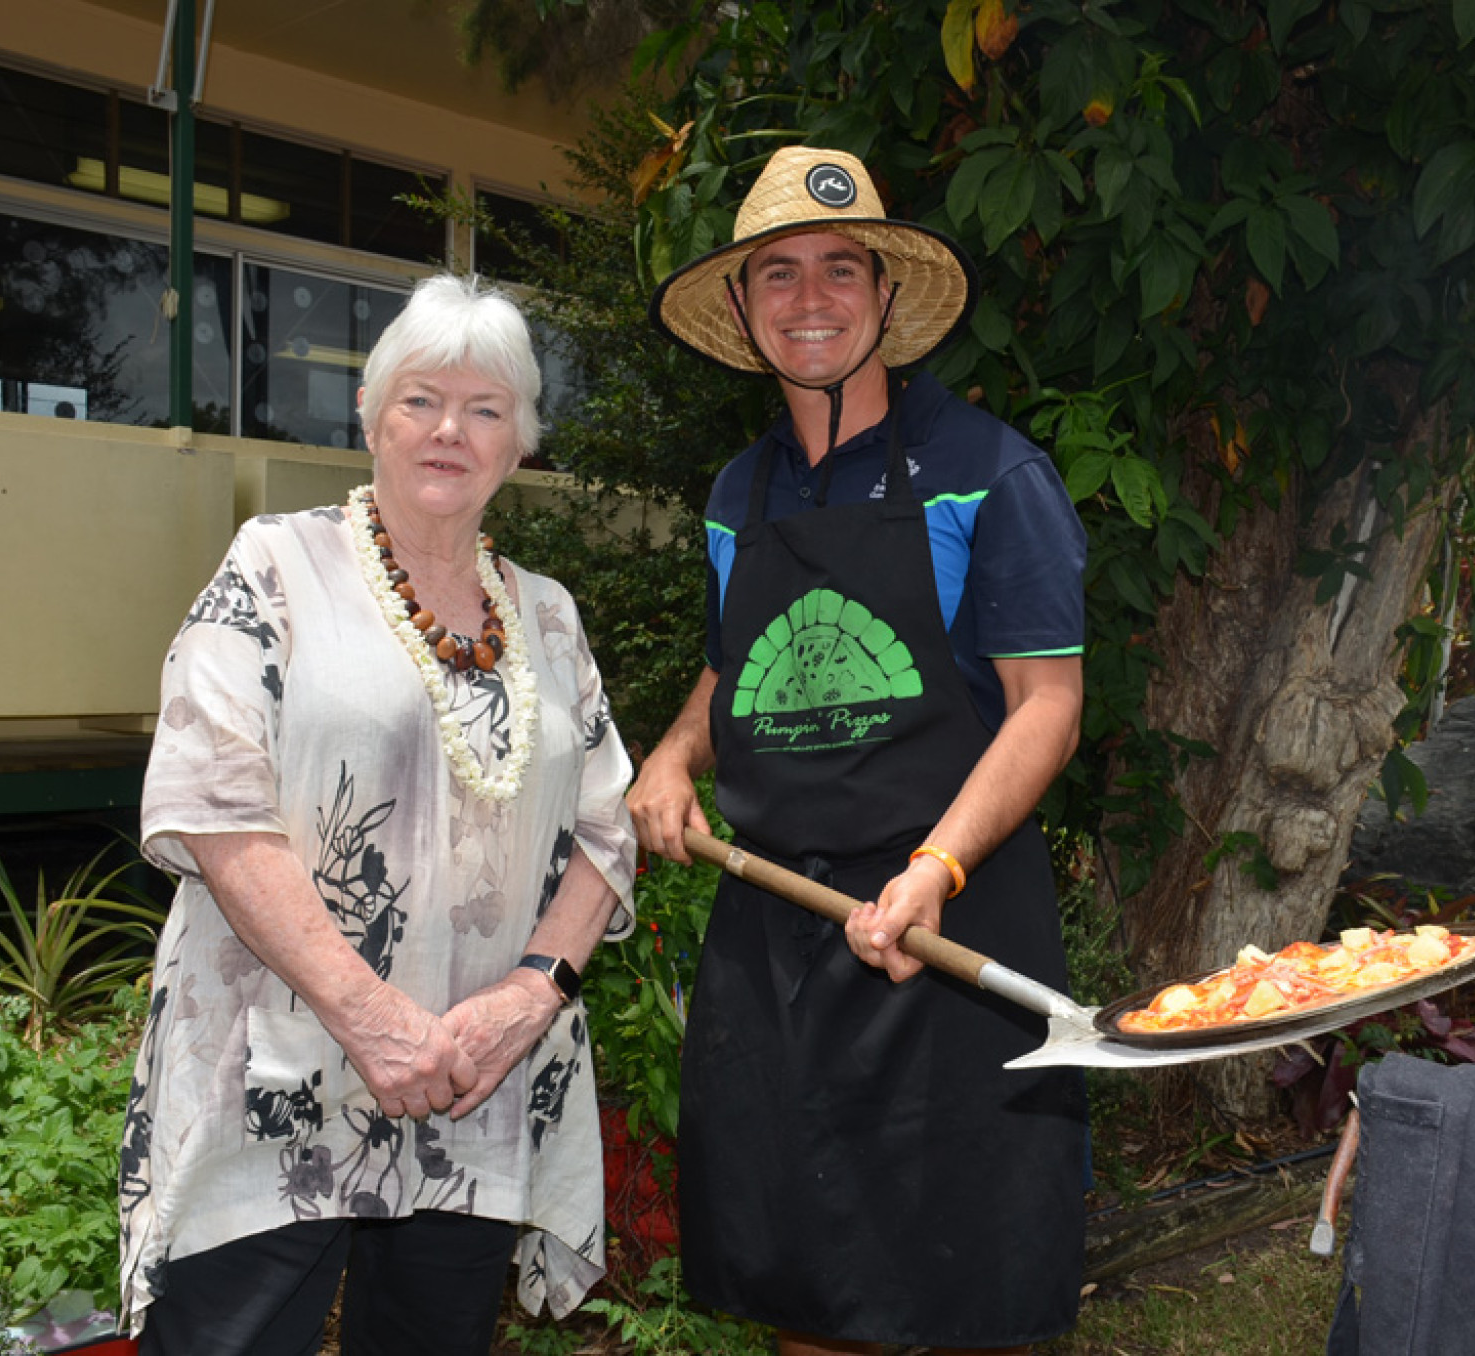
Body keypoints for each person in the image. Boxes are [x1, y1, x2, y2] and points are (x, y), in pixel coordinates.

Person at [117, 273, 637, 1355]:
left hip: (472, 1079)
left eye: (485, 408)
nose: (450, 429)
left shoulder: (546, 614)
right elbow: (215, 809)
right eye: (420, 399)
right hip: (276, 1074)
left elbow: (605, 829)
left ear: (519, 441)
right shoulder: (274, 569)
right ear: (369, 415)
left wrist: (527, 1000)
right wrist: (373, 1020)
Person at [630, 146, 1089, 1355]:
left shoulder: (993, 477)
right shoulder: (738, 493)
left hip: (944, 929)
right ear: (740, 307)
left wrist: (935, 867)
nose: (809, 298)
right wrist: (674, 754)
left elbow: (1045, 703)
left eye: (840, 267)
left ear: (887, 296)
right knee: (802, 1280)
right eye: (775, 273)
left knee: (953, 1287)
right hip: (776, 935)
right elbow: (742, 657)